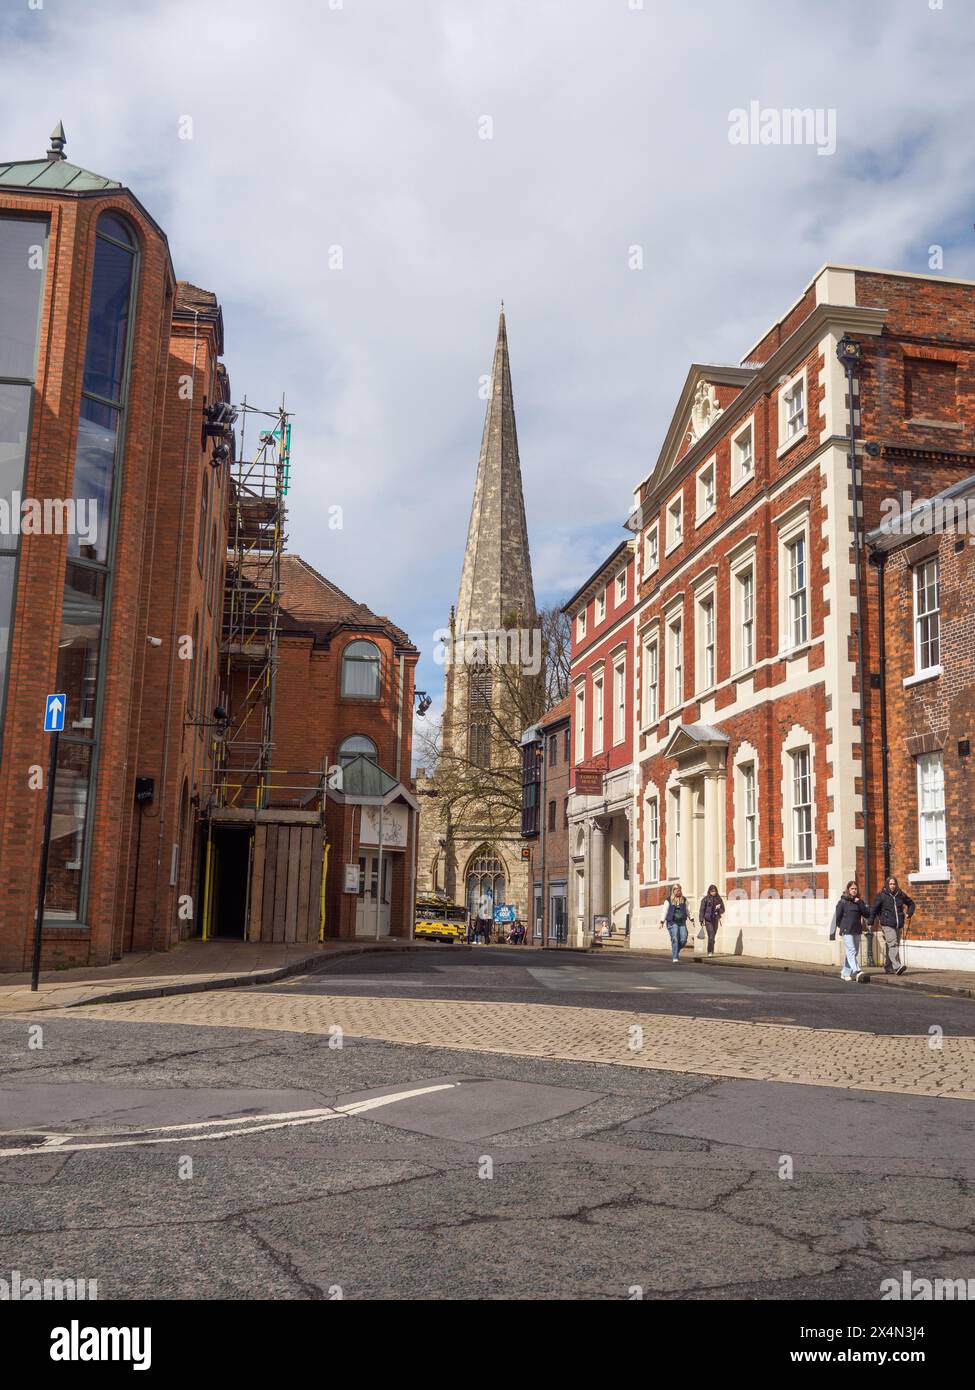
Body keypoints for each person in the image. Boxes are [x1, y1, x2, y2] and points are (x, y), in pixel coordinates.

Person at [869, 876, 915, 975]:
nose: (892, 886)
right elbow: (874, 908)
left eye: (894, 884)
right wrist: (871, 921)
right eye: (890, 884)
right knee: (893, 944)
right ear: (887, 884)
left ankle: (888, 967)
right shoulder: (881, 895)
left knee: (893, 946)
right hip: (887, 924)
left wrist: (909, 913)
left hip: (898, 924)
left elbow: (911, 903)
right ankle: (897, 966)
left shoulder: (900, 894)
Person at [830, 879, 870, 981]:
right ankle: (857, 970)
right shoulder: (843, 902)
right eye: (852, 888)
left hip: (856, 930)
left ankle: (845, 972)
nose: (854, 890)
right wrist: (840, 928)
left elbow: (867, 914)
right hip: (846, 931)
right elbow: (837, 917)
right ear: (848, 890)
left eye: (855, 889)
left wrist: (860, 903)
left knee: (854, 952)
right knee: (851, 950)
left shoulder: (859, 902)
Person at [660, 884, 689, 963]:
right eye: (676, 889)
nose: (678, 890)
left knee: (683, 939)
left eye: (679, 889)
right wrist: (662, 921)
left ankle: (676, 950)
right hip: (672, 922)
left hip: (682, 922)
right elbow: (665, 911)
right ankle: (675, 957)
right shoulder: (668, 900)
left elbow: (688, 910)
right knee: (675, 938)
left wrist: (692, 919)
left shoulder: (684, 899)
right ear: (673, 890)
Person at [698, 884, 725, 956]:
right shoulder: (705, 899)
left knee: (713, 936)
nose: (713, 892)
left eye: (715, 891)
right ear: (709, 891)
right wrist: (701, 919)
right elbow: (702, 910)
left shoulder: (719, 899)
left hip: (715, 919)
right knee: (711, 936)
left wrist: (719, 911)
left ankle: (711, 949)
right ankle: (710, 952)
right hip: (708, 920)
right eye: (712, 891)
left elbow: (723, 909)